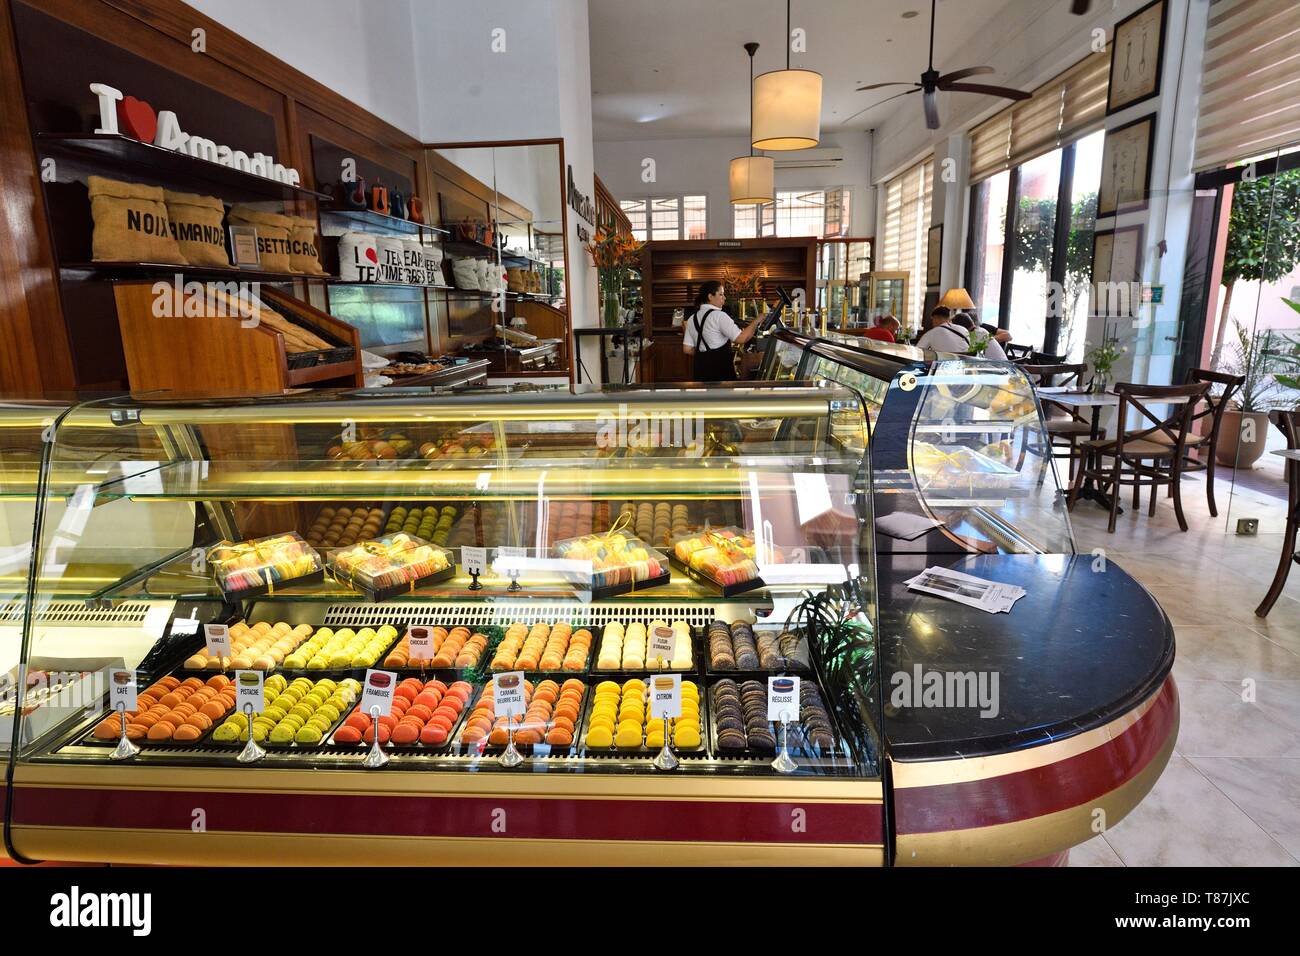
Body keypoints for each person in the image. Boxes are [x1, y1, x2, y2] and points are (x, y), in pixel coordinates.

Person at [681, 280, 760, 382]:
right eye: (721, 294)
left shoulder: (692, 318)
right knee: (723, 397)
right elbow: (741, 338)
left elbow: (687, 349)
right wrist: (757, 320)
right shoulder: (719, 316)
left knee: (704, 397)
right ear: (710, 296)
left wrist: (705, 355)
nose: (724, 298)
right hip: (720, 372)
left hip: (700, 371)